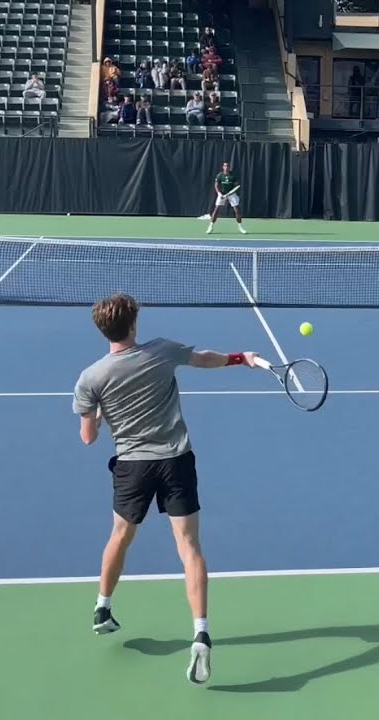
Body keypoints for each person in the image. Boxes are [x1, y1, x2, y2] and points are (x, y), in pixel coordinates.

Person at [72, 293, 262, 685]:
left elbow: (88, 437)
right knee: (190, 549)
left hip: (132, 468)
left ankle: (103, 609)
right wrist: (240, 357)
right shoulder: (161, 351)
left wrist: (105, 411)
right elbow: (206, 358)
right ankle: (201, 634)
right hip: (176, 461)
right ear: (134, 325)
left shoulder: (91, 377)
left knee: (120, 536)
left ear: (103, 330)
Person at [206, 161, 245, 234]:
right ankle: (211, 226)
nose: (226, 167)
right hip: (222, 194)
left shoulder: (233, 176)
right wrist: (219, 194)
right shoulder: (219, 175)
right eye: (225, 166)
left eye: (227, 166)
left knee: (237, 210)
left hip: (231, 194)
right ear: (223, 167)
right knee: (216, 209)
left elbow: (236, 186)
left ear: (229, 167)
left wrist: (228, 194)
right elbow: (216, 185)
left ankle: (240, 227)